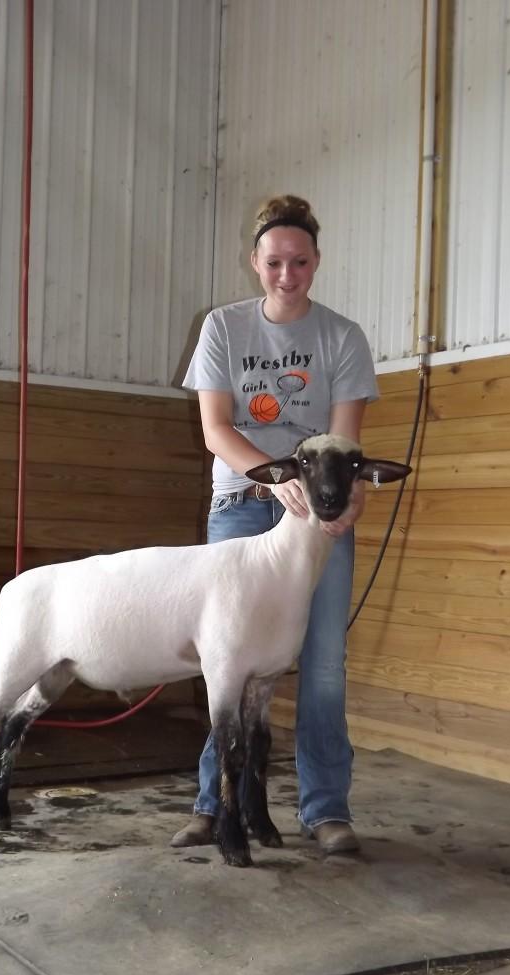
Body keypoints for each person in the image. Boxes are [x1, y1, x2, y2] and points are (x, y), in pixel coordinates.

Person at [174, 194, 379, 855]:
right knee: (228, 663)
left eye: (299, 262)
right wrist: (278, 475)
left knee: (322, 662)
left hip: (317, 514)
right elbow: (215, 429)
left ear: (316, 261)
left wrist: (342, 498)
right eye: (274, 263)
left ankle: (326, 811)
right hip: (242, 503)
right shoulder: (223, 328)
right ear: (253, 262)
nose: (286, 275)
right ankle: (214, 803)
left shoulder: (341, 337)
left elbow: (344, 443)